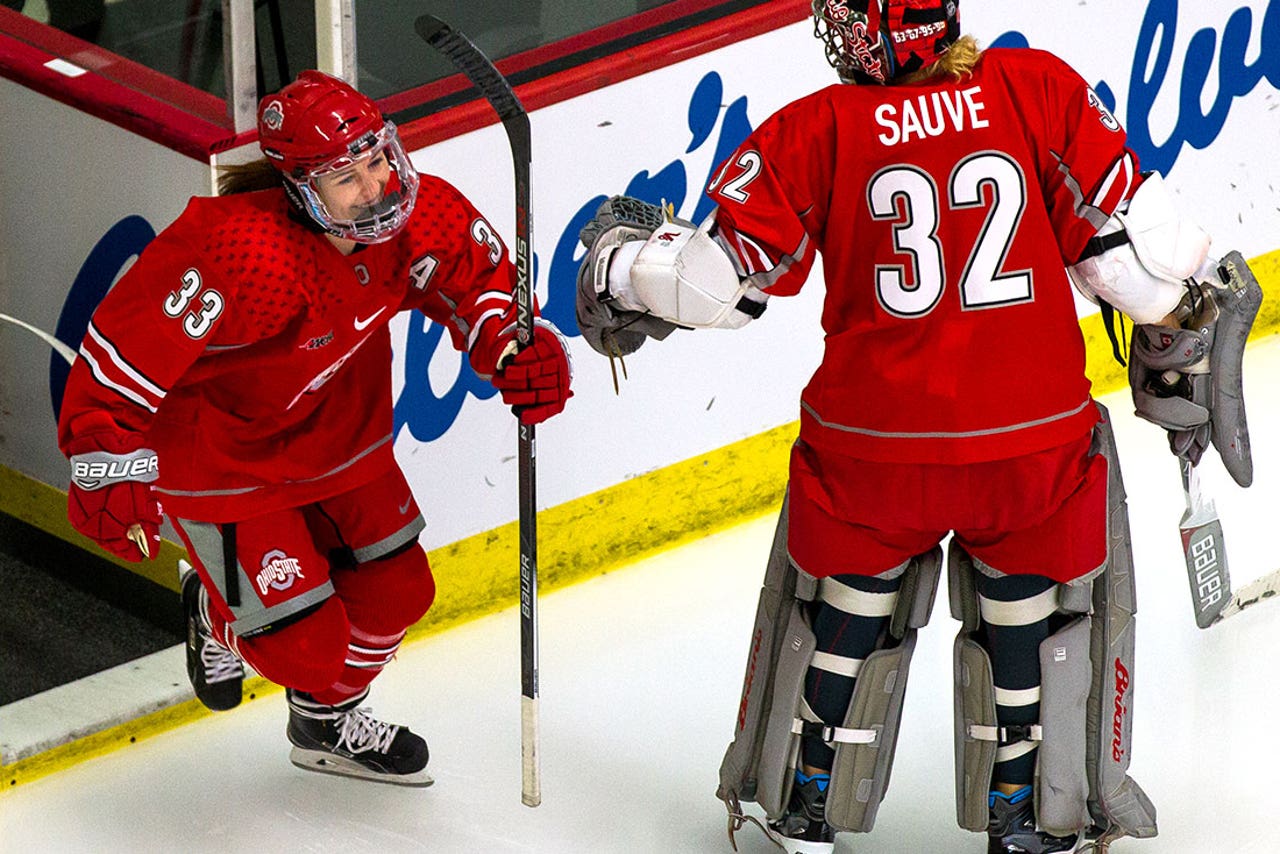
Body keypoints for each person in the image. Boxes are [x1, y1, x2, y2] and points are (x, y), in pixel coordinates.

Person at [576, 1, 1258, 851]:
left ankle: (807, 800)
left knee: (845, 607)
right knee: (1031, 615)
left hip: (876, 448)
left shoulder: (811, 130)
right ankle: (1029, 812)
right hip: (1028, 437)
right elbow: (1142, 272)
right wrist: (1179, 332)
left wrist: (620, 269)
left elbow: (713, 288)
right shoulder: (1035, 88)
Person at [57, 70, 572, 786]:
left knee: (399, 596)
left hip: (337, 434)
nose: (377, 187)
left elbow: (476, 285)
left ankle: (324, 726)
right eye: (346, 179)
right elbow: (119, 365)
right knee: (304, 648)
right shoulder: (234, 255)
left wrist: (518, 349)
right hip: (219, 457)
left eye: (377, 159)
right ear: (301, 190)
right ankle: (215, 606)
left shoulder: (422, 214)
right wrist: (106, 463)